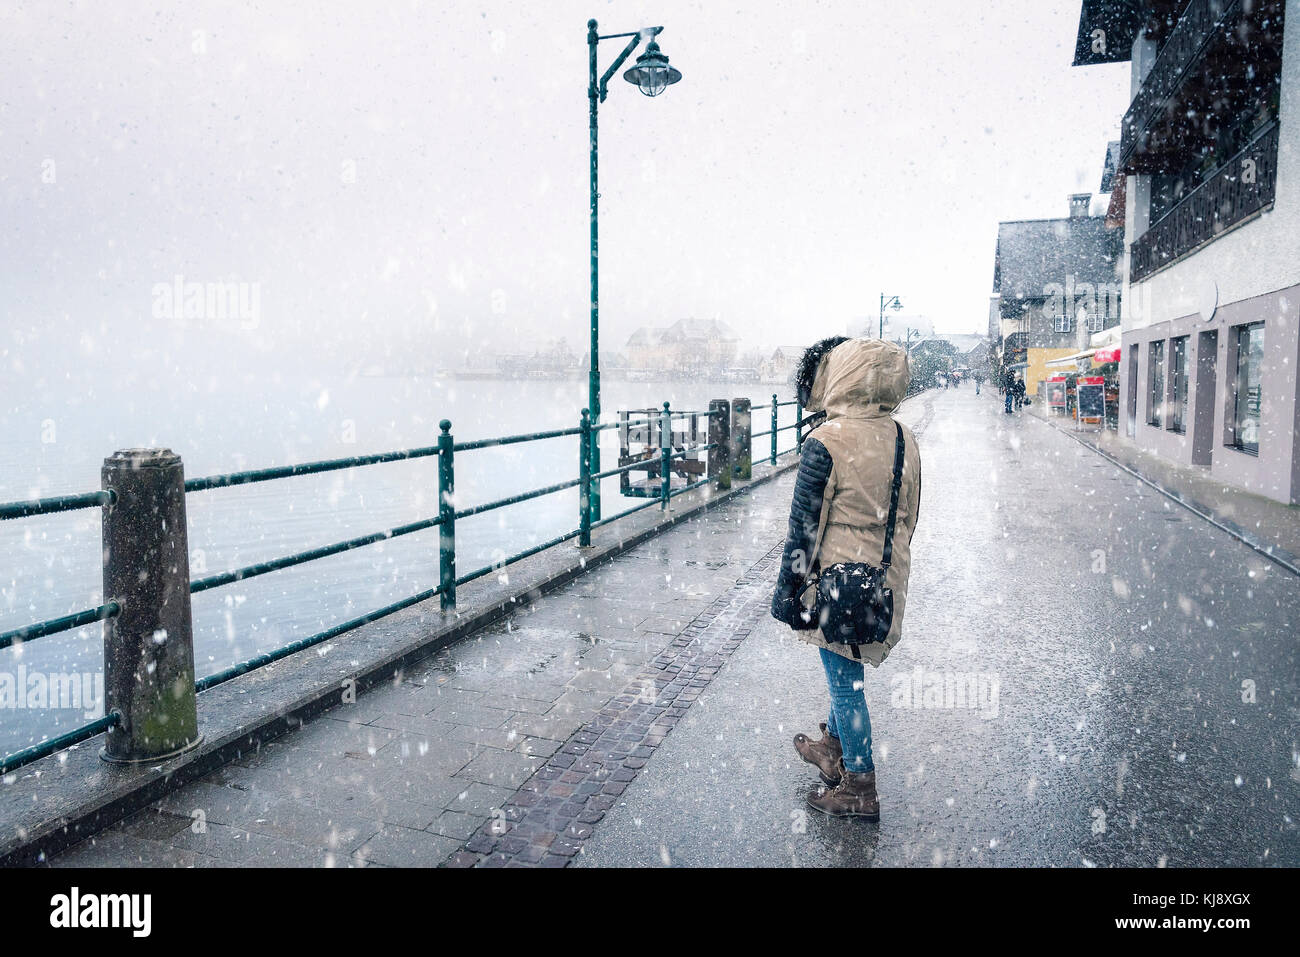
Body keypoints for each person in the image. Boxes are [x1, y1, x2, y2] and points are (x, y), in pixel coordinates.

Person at [772, 337, 922, 819]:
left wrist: (787, 596)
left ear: (840, 376)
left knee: (845, 680)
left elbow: (803, 530)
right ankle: (833, 747)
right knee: (846, 668)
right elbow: (911, 515)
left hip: (836, 585)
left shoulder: (826, 442)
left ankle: (858, 783)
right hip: (883, 579)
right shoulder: (903, 436)